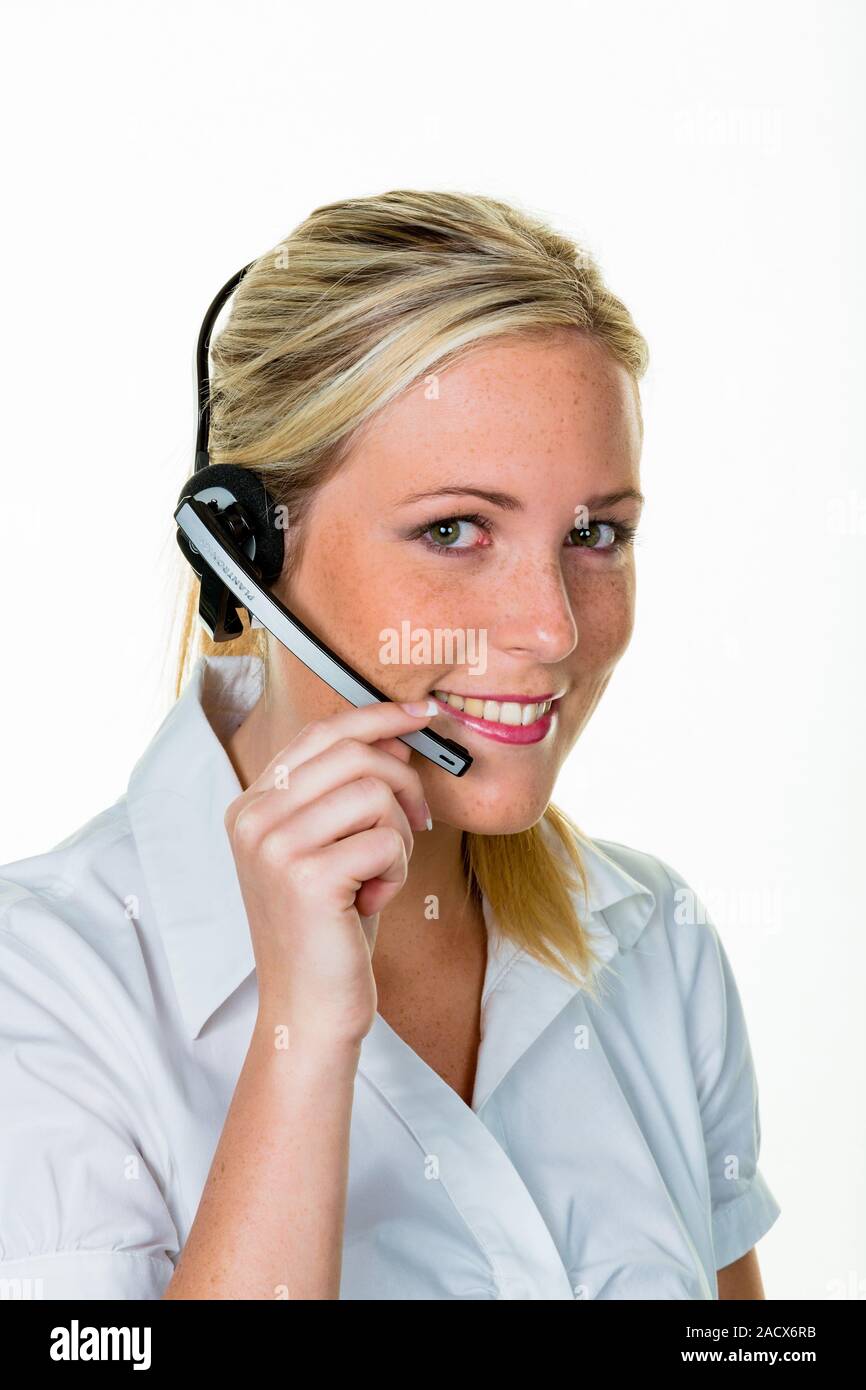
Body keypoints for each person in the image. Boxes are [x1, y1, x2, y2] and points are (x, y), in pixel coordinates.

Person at [0, 189, 780, 1301]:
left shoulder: (653, 943)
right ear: (242, 553)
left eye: (593, 534)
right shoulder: (37, 989)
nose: (551, 628)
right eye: (454, 530)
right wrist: (301, 1043)